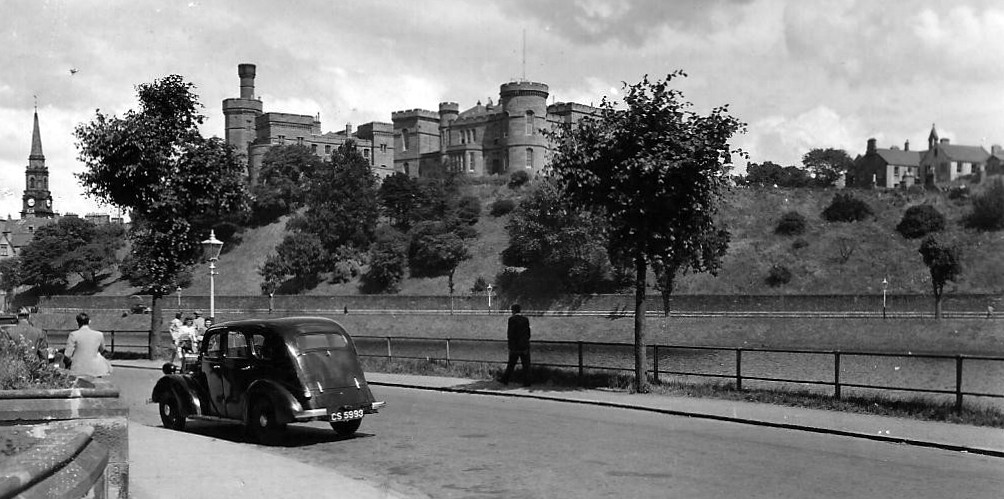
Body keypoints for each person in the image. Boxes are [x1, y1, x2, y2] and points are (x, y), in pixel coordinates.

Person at [64, 312, 112, 377]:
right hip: (96, 369)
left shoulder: (73, 335)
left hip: (78, 369)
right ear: (89, 322)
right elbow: (102, 350)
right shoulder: (99, 335)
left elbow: (67, 354)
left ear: (77, 322)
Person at [501, 303, 531, 386]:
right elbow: (528, 333)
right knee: (526, 365)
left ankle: (505, 380)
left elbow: (510, 334)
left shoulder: (512, 319)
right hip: (524, 345)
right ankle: (527, 382)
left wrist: (510, 346)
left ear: (513, 311)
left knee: (511, 364)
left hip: (515, 346)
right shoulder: (526, 319)